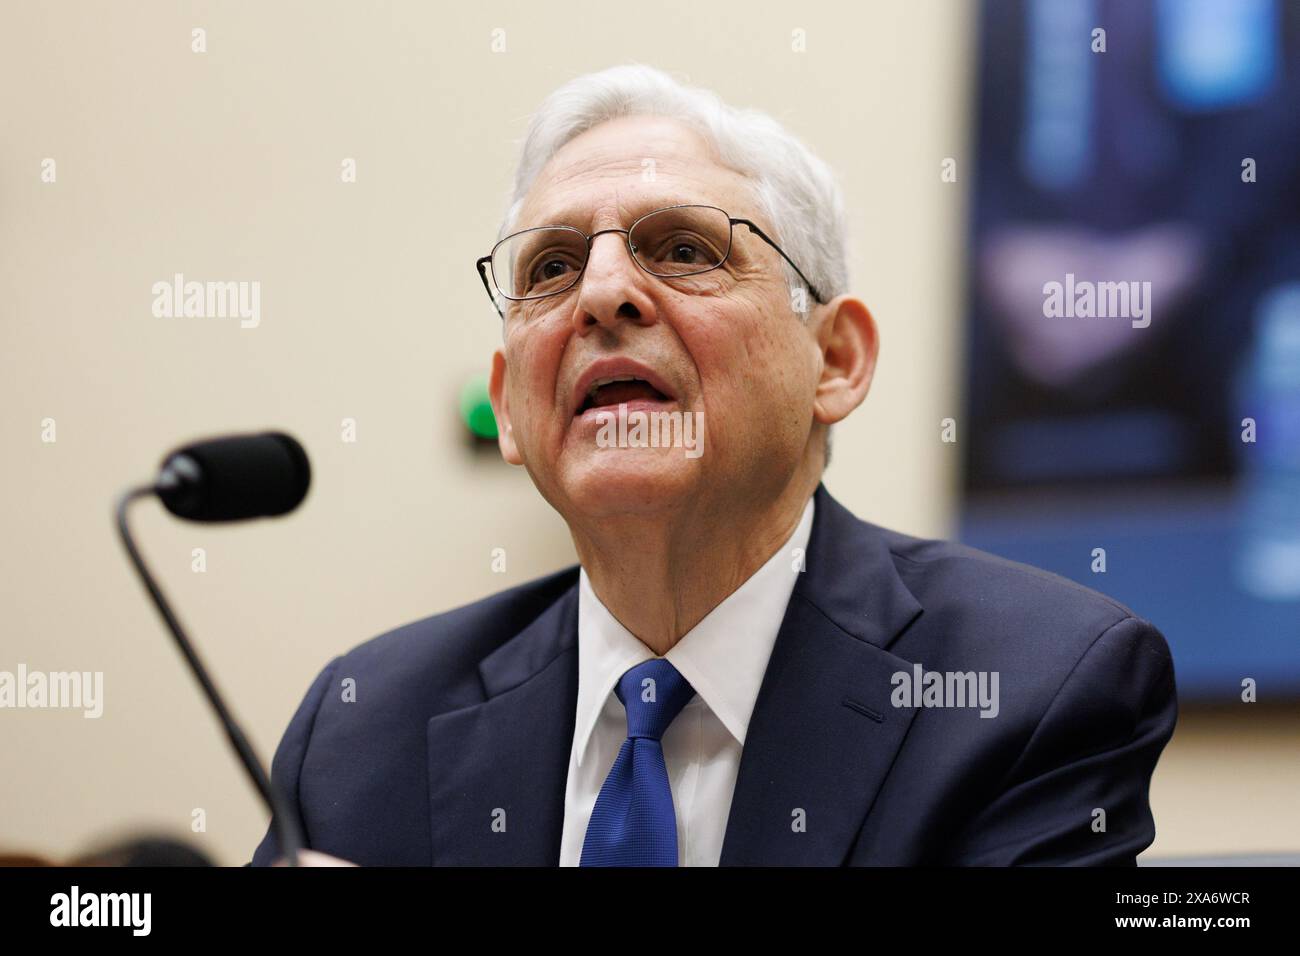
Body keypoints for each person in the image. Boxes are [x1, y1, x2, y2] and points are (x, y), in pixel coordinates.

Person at [251, 64, 1176, 867]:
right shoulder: (361, 727)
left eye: (683, 250)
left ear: (836, 360)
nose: (605, 293)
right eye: (551, 269)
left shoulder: (1033, 690)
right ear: (509, 407)